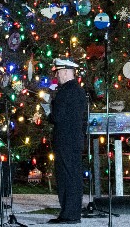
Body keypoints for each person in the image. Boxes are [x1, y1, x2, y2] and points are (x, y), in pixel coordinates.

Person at [46, 57, 90, 224]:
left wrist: (48, 110)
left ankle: (69, 214)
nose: (57, 75)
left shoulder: (65, 92)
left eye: (58, 72)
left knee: (67, 177)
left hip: (66, 140)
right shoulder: (78, 90)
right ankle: (70, 212)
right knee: (73, 176)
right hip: (74, 140)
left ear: (65, 72)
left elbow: (57, 117)